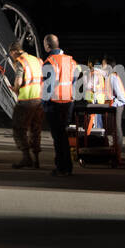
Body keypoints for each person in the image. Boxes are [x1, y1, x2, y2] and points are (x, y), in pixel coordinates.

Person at [0, 42, 44, 168]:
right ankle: (36, 159)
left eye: (11, 55)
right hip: (39, 100)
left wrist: (15, 89)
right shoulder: (37, 60)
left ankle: (27, 157)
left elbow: (19, 81)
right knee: (35, 129)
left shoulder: (21, 61)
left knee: (18, 129)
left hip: (26, 100)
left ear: (14, 52)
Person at [42, 34, 77, 176]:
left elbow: (48, 88)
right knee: (63, 136)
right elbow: (74, 82)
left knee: (58, 137)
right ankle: (67, 166)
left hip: (54, 104)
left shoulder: (50, 62)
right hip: (68, 103)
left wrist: (44, 105)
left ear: (47, 46)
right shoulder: (70, 61)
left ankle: (62, 167)